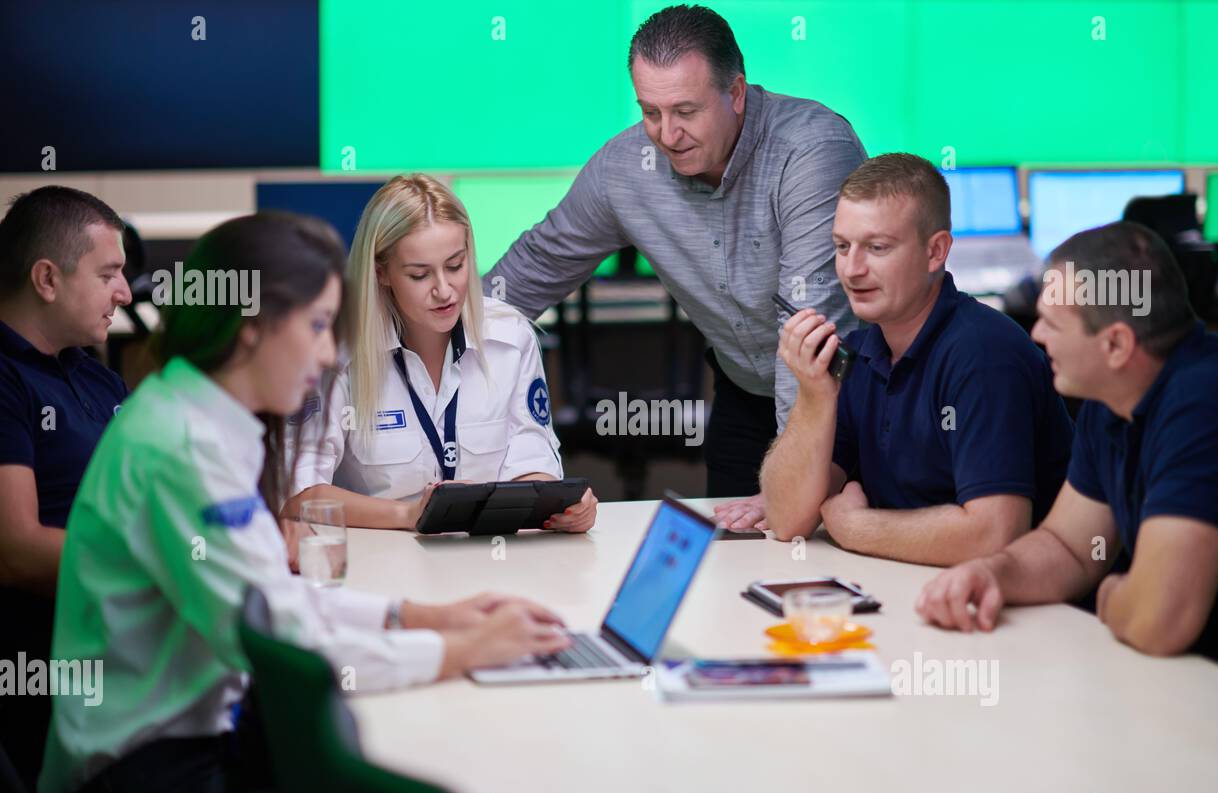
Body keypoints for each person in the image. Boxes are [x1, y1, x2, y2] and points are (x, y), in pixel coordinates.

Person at [38, 212, 571, 793]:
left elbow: (277, 601)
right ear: (249, 332)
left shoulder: (201, 415)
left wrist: (428, 617)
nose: (326, 354)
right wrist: (462, 651)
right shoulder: (182, 448)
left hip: (185, 746)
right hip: (140, 789)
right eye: (317, 327)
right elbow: (290, 646)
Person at [483, 4, 865, 525]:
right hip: (743, 396)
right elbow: (532, 269)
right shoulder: (626, 168)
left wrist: (793, 485)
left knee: (827, 563)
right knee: (727, 567)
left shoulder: (810, 151)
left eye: (686, 112)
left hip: (845, 400)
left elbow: (811, 334)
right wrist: (418, 337)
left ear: (735, 93)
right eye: (650, 112)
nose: (666, 135)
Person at [915, 221, 1218, 696]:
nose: (1036, 335)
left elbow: (1159, 620)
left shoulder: (1209, 405)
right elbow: (1068, 547)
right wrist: (990, 573)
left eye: (1052, 324)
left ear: (1116, 344)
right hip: (1191, 686)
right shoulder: (1111, 399)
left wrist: (1111, 594)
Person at [762, 153, 1074, 565]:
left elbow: (996, 534)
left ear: (935, 252)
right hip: (913, 591)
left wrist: (856, 527)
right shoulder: (860, 353)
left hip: (1026, 614)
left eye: (876, 247)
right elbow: (786, 519)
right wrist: (813, 394)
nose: (852, 270)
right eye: (841, 246)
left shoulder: (982, 355)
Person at [283, 173, 596, 533]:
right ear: (381, 273)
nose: (445, 291)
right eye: (420, 275)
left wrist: (559, 508)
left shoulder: (510, 338)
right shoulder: (334, 354)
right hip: (380, 565)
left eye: (455, 265)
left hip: (489, 559)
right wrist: (406, 515)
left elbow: (533, 461)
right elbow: (298, 495)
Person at [0, 186, 130, 793]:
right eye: (110, 273)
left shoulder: (99, 380)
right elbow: (17, 550)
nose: (126, 293)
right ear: (47, 278)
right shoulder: (6, 382)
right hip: (52, 677)